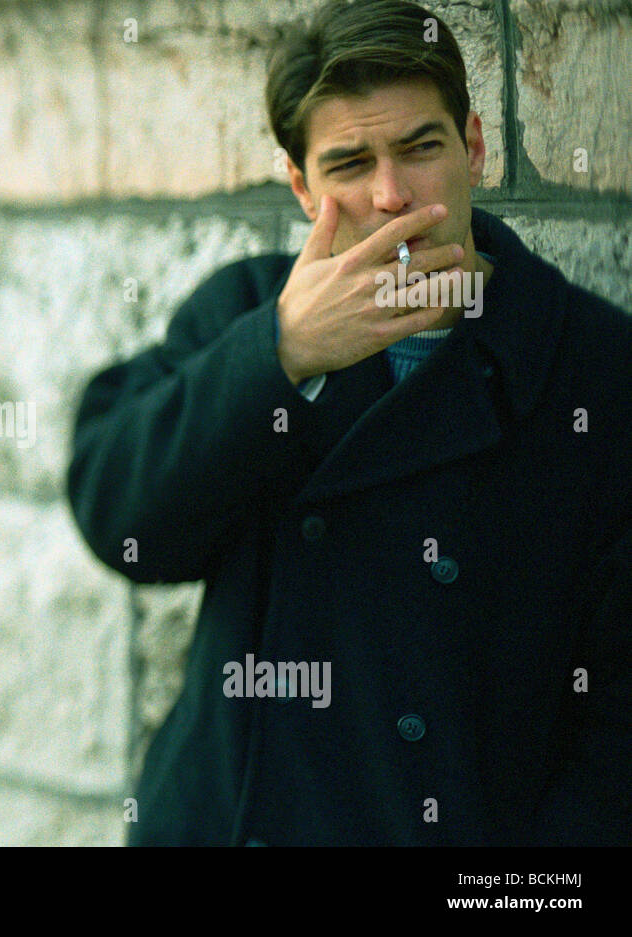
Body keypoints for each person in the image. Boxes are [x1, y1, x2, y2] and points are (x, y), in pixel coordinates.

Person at [67, 0, 632, 845]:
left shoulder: (588, 362)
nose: (391, 195)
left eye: (420, 148)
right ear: (302, 187)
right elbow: (122, 521)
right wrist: (280, 354)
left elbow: (618, 726)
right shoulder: (248, 312)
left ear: (474, 147)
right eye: (349, 163)